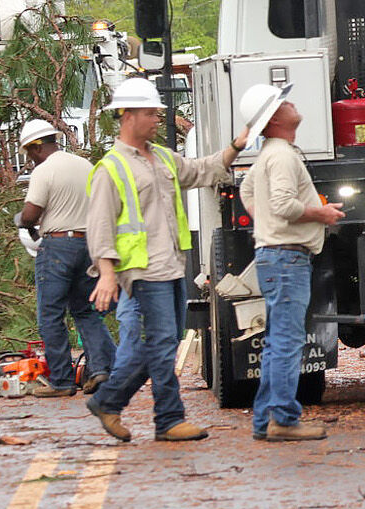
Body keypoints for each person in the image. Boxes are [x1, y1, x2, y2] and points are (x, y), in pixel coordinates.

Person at [84, 77, 251, 443]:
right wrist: (107, 274)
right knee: (159, 345)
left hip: (171, 266)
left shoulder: (161, 158)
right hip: (142, 272)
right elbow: (99, 228)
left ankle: (109, 402)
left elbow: (204, 169)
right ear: (127, 116)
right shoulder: (110, 169)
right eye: (150, 112)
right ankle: (168, 419)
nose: (158, 118)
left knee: (163, 342)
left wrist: (237, 145)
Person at [237, 83, 344, 442]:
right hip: (287, 258)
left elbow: (247, 191)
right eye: (283, 103)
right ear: (274, 120)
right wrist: (322, 213)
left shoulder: (270, 153)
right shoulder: (281, 155)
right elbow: (283, 205)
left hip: (277, 257)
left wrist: (262, 218)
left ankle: (267, 420)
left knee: (277, 342)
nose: (291, 104)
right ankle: (282, 418)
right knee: (286, 342)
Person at [16, 119, 115, 398]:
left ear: (35, 148)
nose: (31, 160)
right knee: (86, 311)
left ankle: (61, 381)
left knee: (51, 316)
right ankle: (100, 370)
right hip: (90, 245)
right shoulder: (85, 166)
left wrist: (21, 220)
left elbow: (31, 215)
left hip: (58, 247)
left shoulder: (44, 171)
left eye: (29, 154)